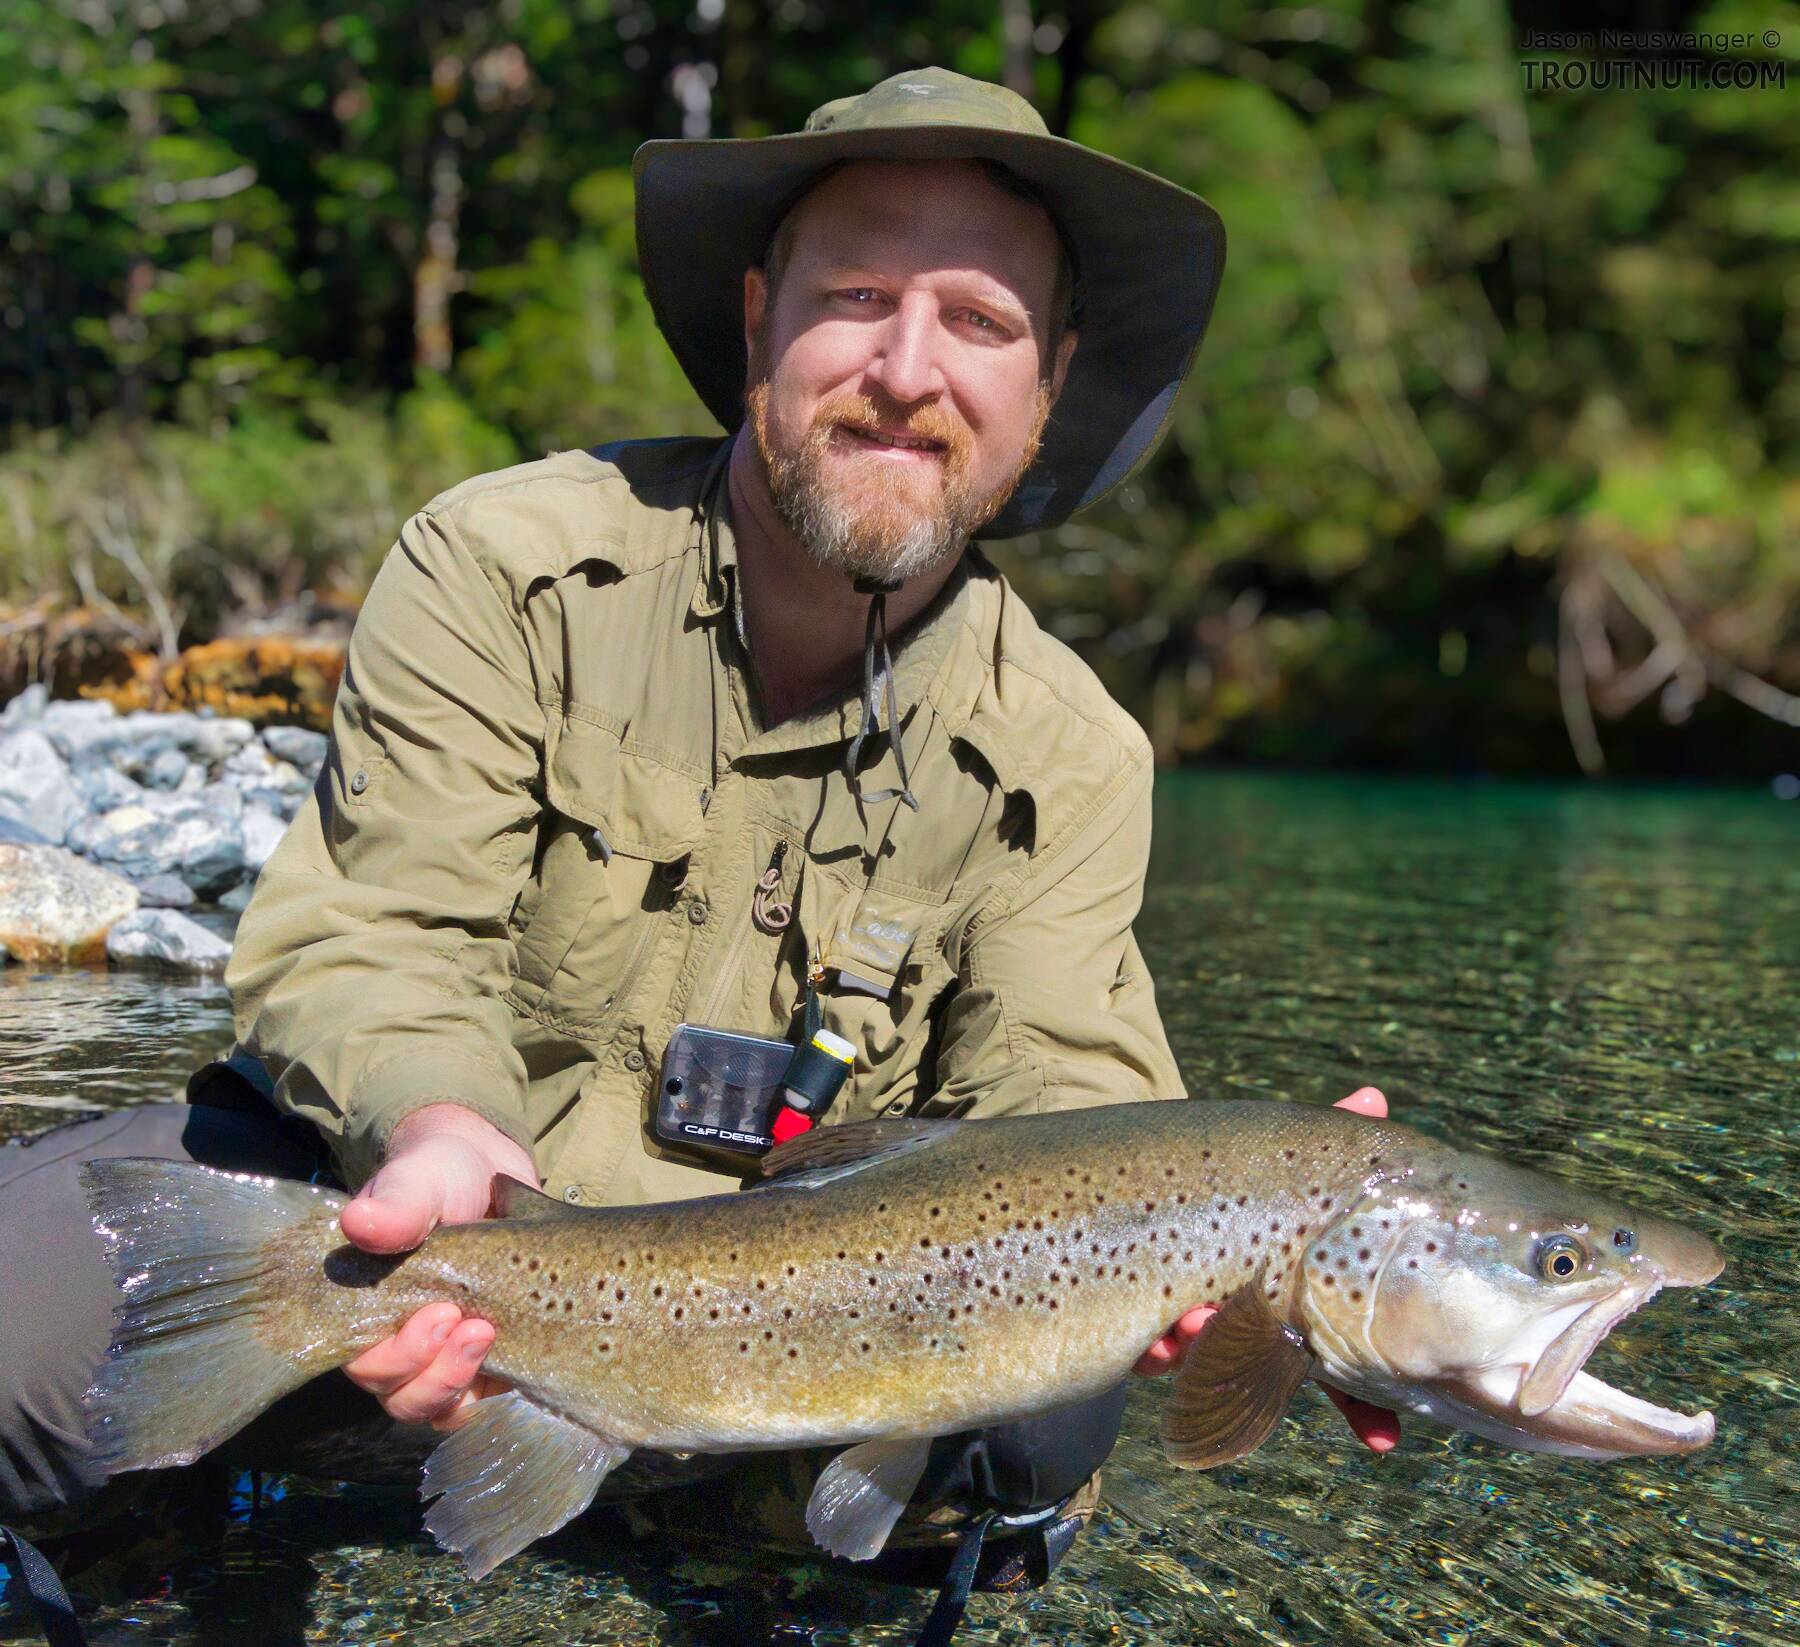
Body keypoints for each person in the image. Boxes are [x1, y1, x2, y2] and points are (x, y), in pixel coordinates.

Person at [0, 67, 1397, 1612]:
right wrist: (434, 1126)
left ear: (1052, 383)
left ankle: (719, 1557)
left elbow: (1060, 1088)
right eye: (857, 295)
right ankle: (190, 1514)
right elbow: (372, 939)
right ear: (756, 319)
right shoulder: (504, 567)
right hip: (413, 1220)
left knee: (1043, 1428)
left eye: (982, 324)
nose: (908, 370)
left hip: (802, 1319)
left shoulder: (1071, 753)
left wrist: (1234, 1203)